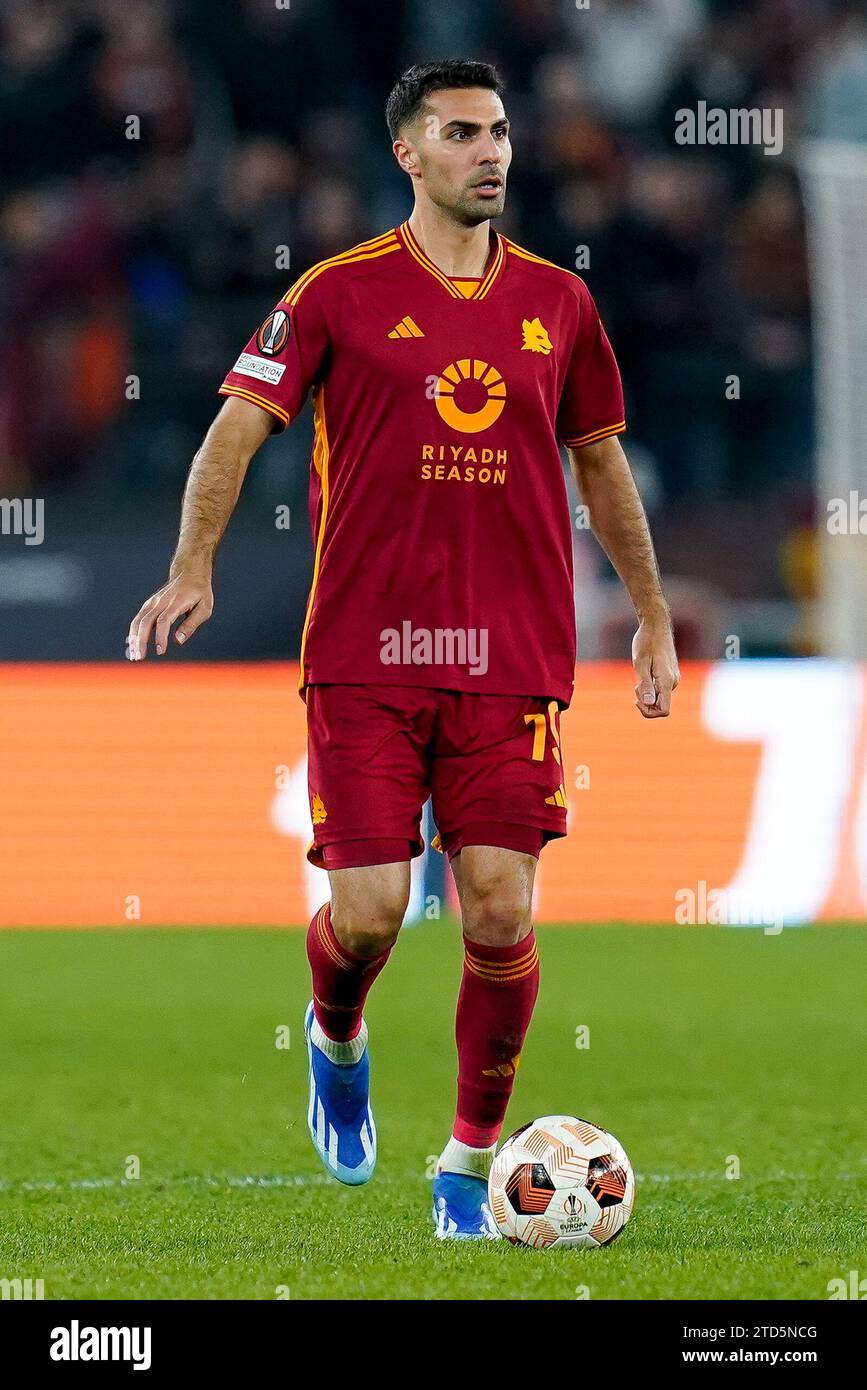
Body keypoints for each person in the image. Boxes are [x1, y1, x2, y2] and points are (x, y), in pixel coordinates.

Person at [127, 60, 679, 1240]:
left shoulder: (560, 304)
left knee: (496, 908)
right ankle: (336, 1033)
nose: (493, 152)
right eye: (463, 133)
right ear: (410, 156)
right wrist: (193, 564)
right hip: (366, 655)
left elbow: (601, 462)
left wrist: (652, 612)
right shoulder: (337, 293)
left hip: (512, 656)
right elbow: (235, 427)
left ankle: (467, 1166)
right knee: (373, 912)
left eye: (501, 133)